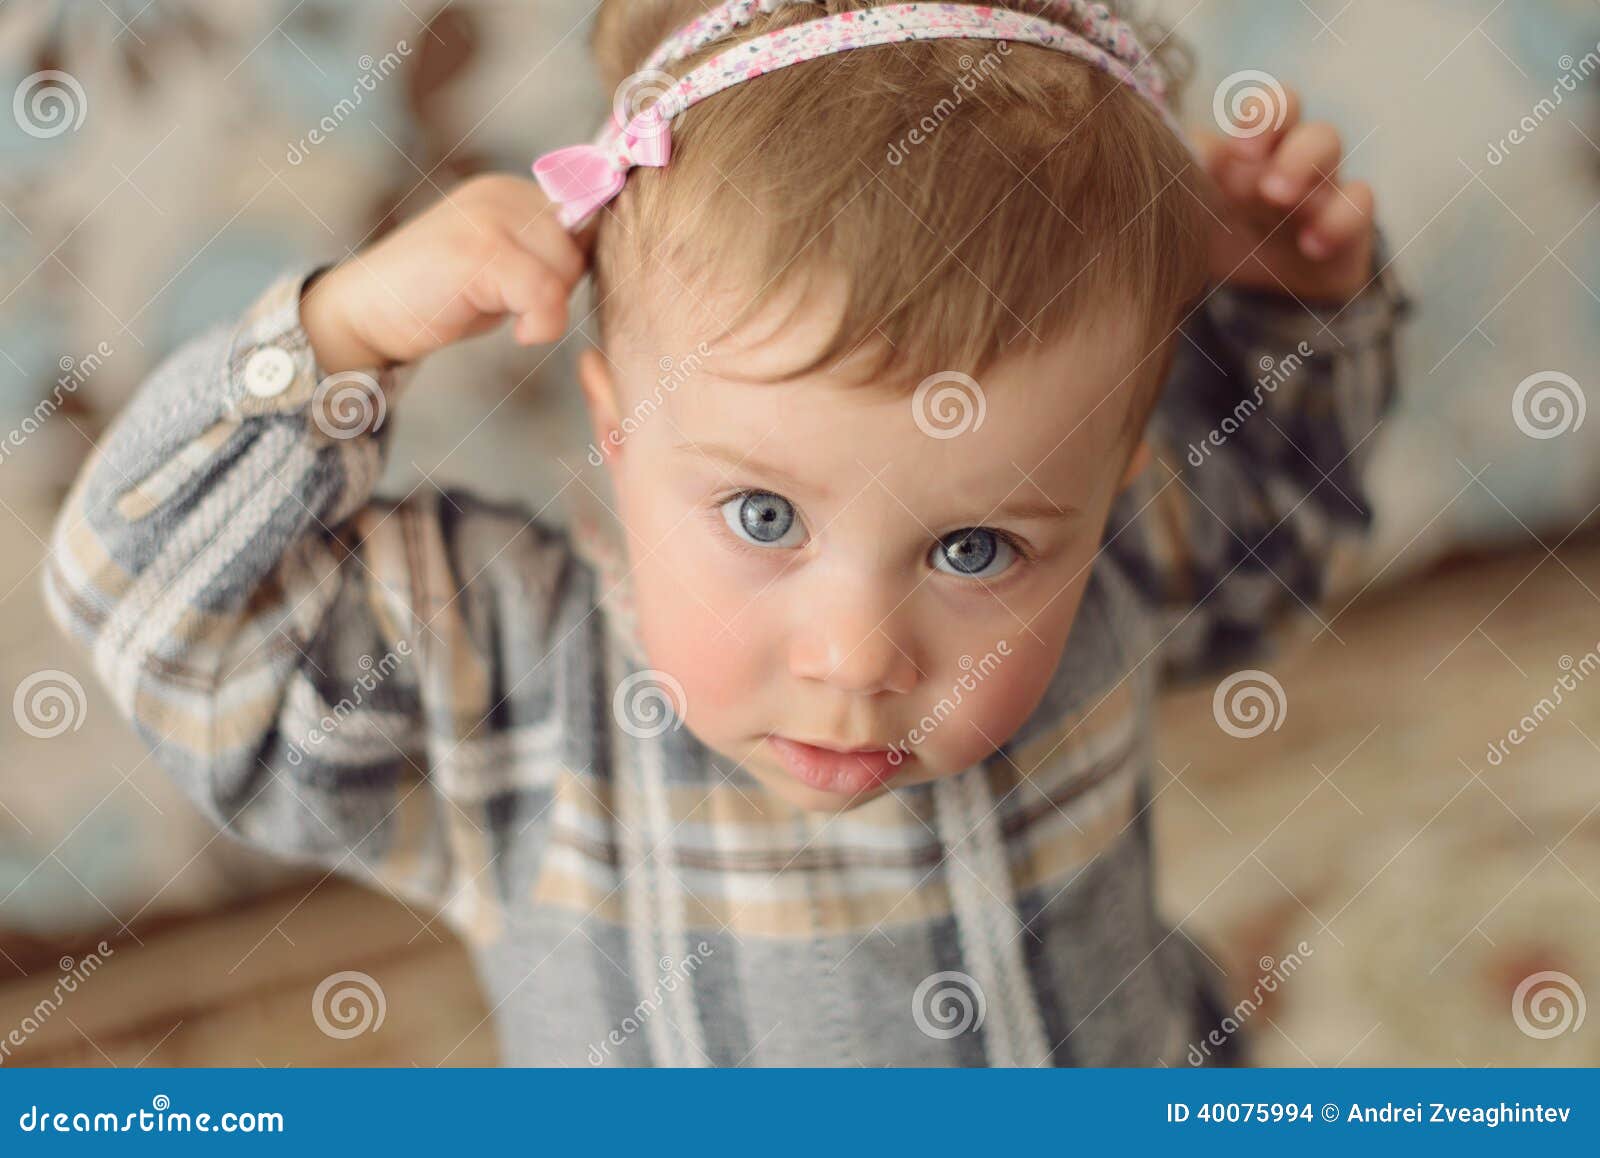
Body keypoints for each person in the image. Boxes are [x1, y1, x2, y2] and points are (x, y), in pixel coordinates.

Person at [43, 0, 1410, 1065]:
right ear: (618, 429)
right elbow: (144, 595)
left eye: (978, 549)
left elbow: (1280, 546)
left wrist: (1283, 320)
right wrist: (334, 335)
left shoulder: (1115, 544)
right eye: (764, 515)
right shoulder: (496, 663)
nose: (857, 656)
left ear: (1114, 472)